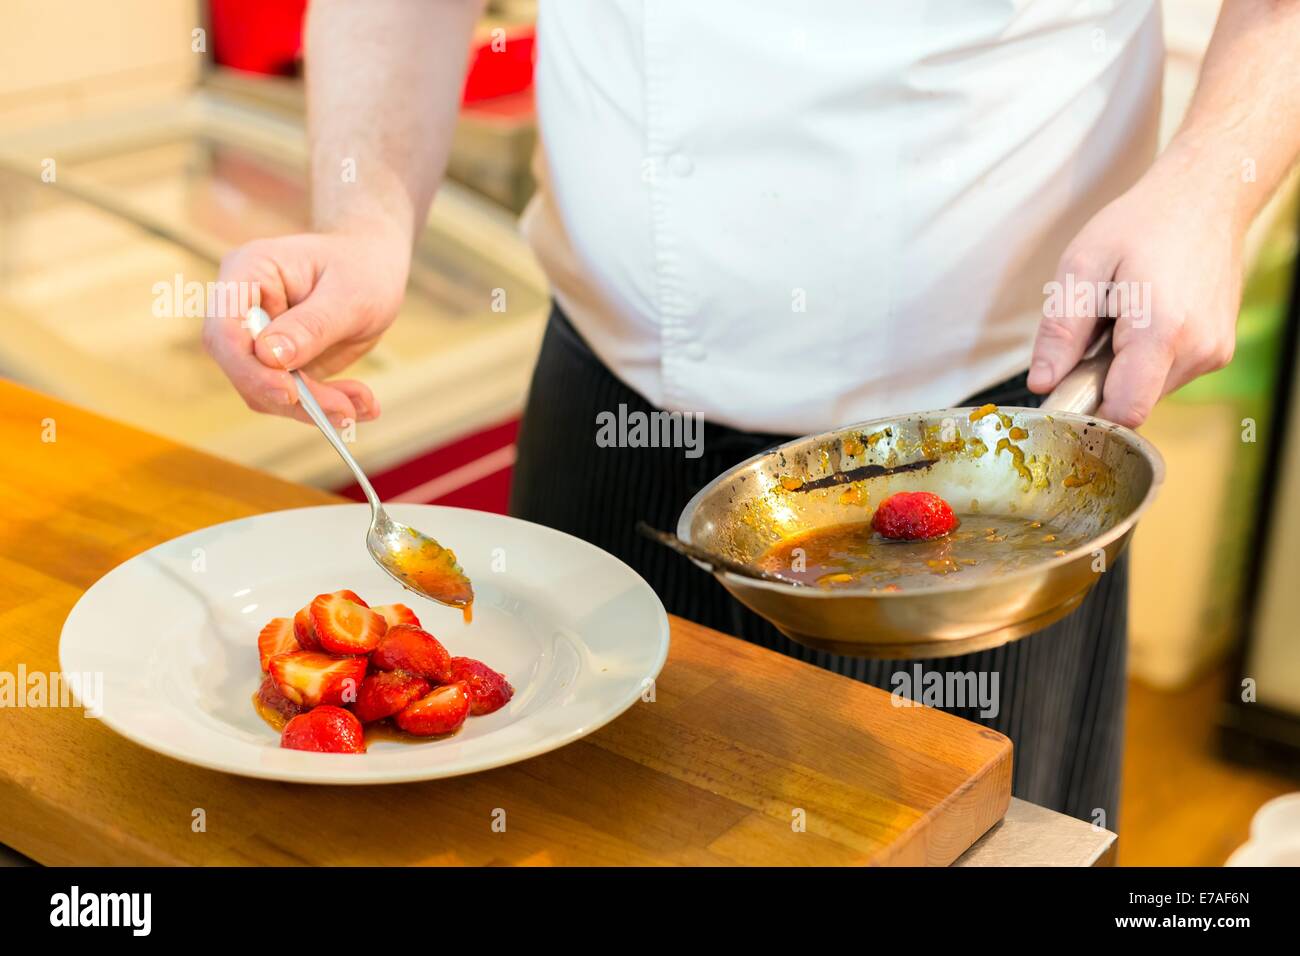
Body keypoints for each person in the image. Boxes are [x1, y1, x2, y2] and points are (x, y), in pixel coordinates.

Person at [203, 0, 1300, 827]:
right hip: (610, 394)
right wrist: (363, 214)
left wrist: (1211, 183)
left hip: (983, 453)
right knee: (572, 839)